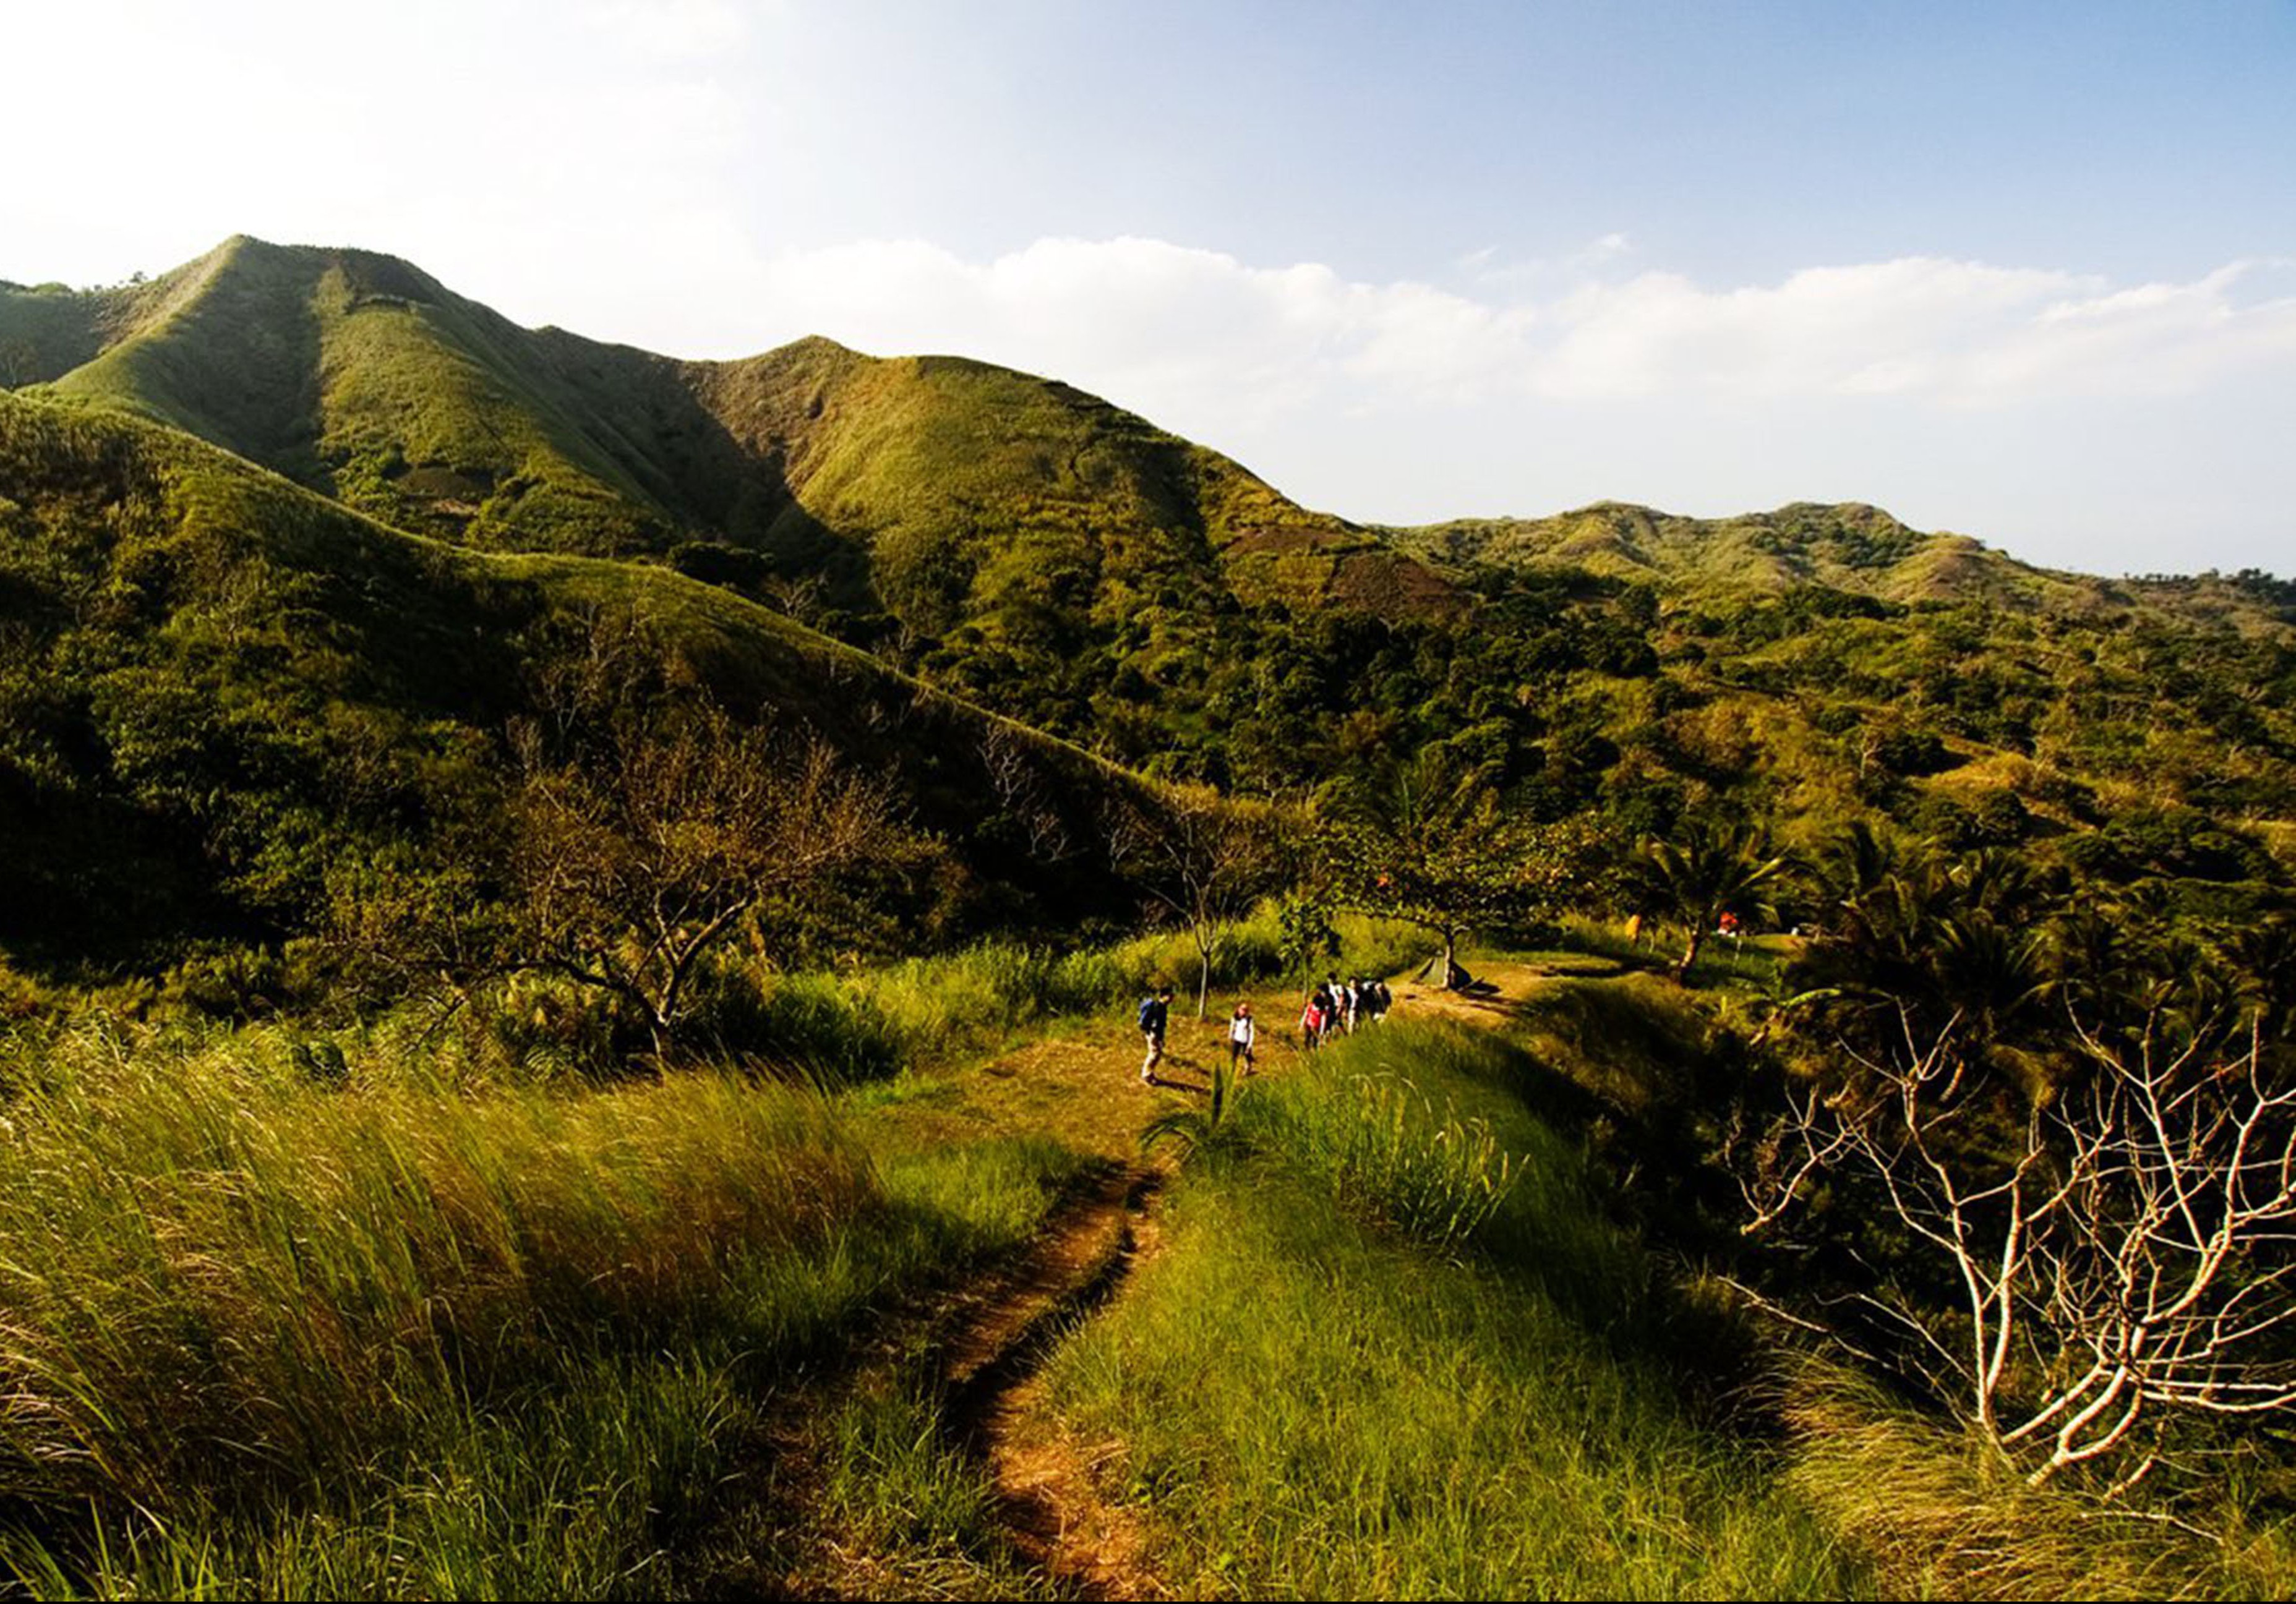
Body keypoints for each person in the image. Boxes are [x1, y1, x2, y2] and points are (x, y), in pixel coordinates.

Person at [1137, 984, 1173, 1084]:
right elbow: (1157, 1025)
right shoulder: (1159, 1008)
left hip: (1153, 1033)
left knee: (1155, 1054)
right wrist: (1159, 1038)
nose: (1172, 999)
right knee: (1154, 1054)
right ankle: (1147, 1075)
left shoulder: (1162, 1007)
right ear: (1163, 996)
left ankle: (1148, 1073)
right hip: (1154, 1034)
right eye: (1170, 996)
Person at [1228, 1000, 1257, 1075]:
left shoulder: (1249, 1019)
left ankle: (1248, 1069)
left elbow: (1252, 1032)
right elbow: (1232, 1027)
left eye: (1246, 1010)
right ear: (1239, 1009)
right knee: (1234, 1055)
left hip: (1245, 1040)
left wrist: (1250, 1044)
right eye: (1242, 1009)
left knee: (1247, 1055)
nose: (1244, 1012)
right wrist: (1230, 1035)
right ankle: (1232, 1070)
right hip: (1237, 1039)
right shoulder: (1235, 1017)